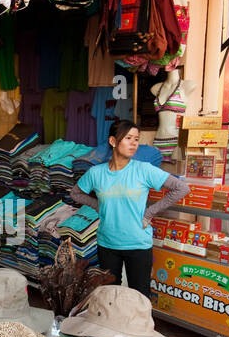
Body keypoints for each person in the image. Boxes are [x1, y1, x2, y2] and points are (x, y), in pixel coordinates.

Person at [69, 120, 190, 297]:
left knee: (139, 297)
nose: (134, 143)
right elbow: (75, 193)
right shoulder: (96, 173)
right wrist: (98, 205)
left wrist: (149, 213)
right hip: (107, 243)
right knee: (109, 296)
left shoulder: (144, 170)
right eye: (128, 138)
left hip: (138, 243)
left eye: (136, 139)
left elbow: (181, 188)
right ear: (113, 141)